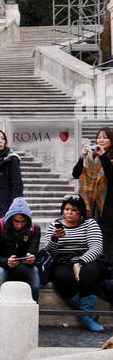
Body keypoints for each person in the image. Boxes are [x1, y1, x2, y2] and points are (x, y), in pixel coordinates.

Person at [41, 195, 105, 332]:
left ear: (80, 212)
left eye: (73, 210)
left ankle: (87, 316)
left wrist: (80, 263)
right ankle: (87, 313)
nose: (69, 212)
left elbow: (96, 248)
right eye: (66, 209)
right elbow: (49, 250)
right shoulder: (55, 224)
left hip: (88, 259)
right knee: (61, 277)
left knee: (89, 273)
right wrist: (54, 238)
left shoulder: (90, 224)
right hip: (63, 261)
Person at [0, 197, 42, 301]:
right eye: (16, 221)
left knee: (34, 272)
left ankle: (33, 308)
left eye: (23, 221)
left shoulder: (34, 228)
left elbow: (34, 253)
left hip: (21, 264)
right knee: (0, 274)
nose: (19, 225)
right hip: (0, 265)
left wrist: (31, 259)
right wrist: (6, 262)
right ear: (10, 218)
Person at [72, 127, 113, 257]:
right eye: (99, 137)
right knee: (92, 236)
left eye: (105, 137)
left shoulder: (109, 157)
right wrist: (82, 157)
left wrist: (102, 156)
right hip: (91, 203)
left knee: (106, 239)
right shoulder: (91, 157)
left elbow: (111, 176)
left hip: (108, 204)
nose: (101, 140)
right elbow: (76, 174)